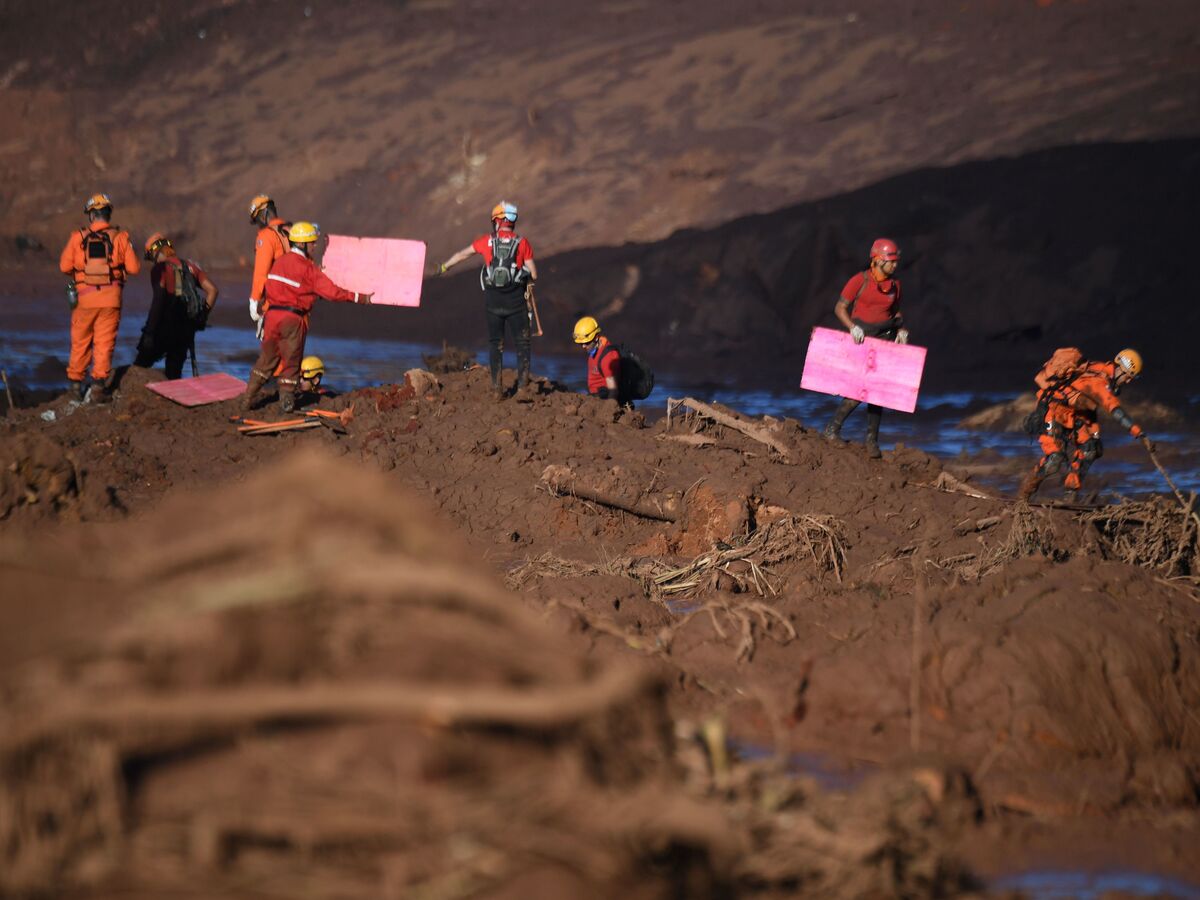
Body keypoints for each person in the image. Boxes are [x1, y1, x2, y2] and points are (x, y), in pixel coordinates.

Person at [241, 222, 371, 413]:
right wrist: (360, 297)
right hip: (292, 319)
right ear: (302, 244)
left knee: (267, 358)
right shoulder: (307, 269)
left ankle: (247, 400)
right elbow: (333, 293)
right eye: (312, 242)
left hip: (271, 317)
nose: (315, 246)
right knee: (291, 360)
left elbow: (282, 287)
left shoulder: (280, 262)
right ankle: (287, 403)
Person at [1018, 349, 1150, 501]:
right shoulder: (1099, 381)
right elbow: (1115, 410)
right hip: (1052, 411)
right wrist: (1138, 433)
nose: (1127, 381)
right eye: (1128, 377)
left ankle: (1070, 495)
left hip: (1074, 414)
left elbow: (1088, 410)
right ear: (1120, 369)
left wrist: (1094, 436)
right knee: (1055, 459)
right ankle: (1025, 494)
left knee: (1090, 450)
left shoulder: (1101, 371)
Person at [436, 201, 538, 398]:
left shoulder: (486, 241)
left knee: (495, 344)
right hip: (516, 301)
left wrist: (444, 267)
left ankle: (496, 390)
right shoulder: (522, 243)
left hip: (493, 302)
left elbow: (462, 254)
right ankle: (523, 389)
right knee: (522, 343)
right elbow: (534, 273)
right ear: (512, 222)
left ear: (497, 221)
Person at [822, 237, 910, 458]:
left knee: (877, 393)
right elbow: (840, 308)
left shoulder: (895, 284)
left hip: (885, 337)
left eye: (896, 261)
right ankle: (832, 429)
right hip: (861, 339)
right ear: (877, 260)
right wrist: (852, 327)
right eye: (890, 261)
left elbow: (895, 312)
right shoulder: (859, 281)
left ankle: (872, 442)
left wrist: (901, 330)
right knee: (858, 389)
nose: (894, 265)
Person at [58, 193, 141, 401]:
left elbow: (64, 266)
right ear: (108, 214)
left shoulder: (78, 237)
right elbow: (134, 268)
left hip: (84, 300)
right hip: (110, 301)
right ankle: (97, 388)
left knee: (80, 342)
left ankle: (75, 387)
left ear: (91, 215)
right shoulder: (121, 238)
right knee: (104, 344)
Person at [133, 233, 219, 379]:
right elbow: (213, 291)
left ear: (154, 252)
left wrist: (149, 331)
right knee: (174, 375)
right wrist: (201, 317)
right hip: (186, 329)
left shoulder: (160, 269)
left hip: (165, 327)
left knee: (139, 367)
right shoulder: (190, 266)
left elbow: (158, 300)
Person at [246, 194, 290, 340]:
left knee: (272, 359)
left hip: (275, 307)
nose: (258, 225)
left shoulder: (266, 236)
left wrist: (254, 299)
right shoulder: (292, 232)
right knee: (292, 359)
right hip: (298, 308)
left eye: (257, 220)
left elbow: (261, 272)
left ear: (264, 214)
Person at [573, 316, 622, 400]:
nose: (583, 346)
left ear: (596, 337)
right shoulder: (594, 349)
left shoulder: (607, 358)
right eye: (580, 344)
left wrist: (606, 410)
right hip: (593, 396)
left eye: (586, 343)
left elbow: (613, 391)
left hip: (602, 398)